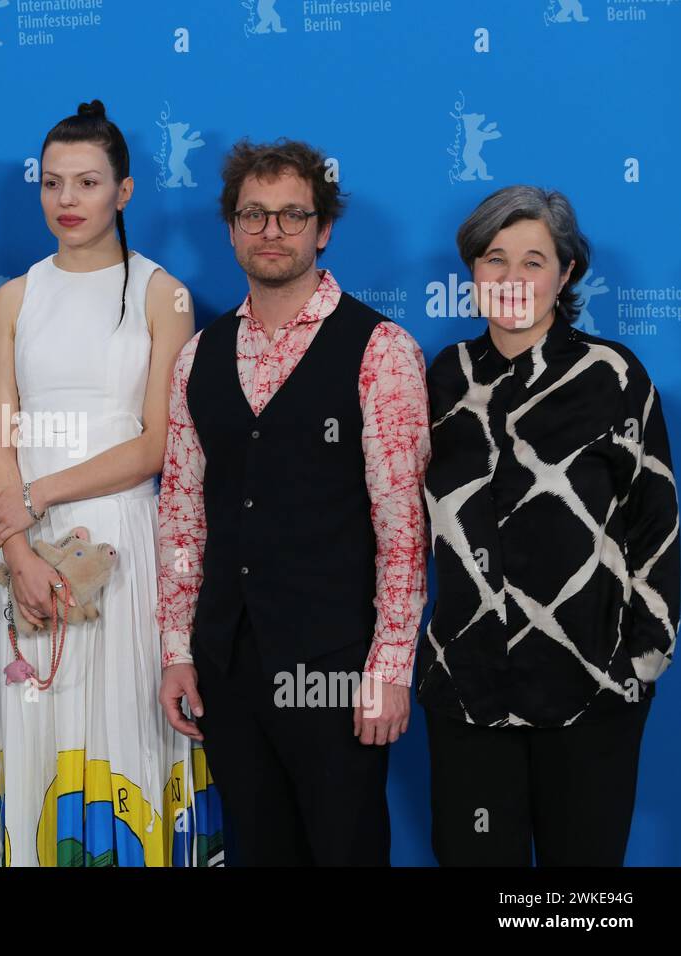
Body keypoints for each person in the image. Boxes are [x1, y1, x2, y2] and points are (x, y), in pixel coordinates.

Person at [156, 139, 431, 865]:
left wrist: (390, 666)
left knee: (345, 849)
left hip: (335, 661)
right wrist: (178, 650)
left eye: (290, 215)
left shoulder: (382, 350)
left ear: (323, 228)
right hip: (228, 660)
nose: (271, 231)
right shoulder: (198, 356)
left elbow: (402, 526)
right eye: (254, 214)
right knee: (259, 851)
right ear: (230, 227)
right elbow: (183, 512)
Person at [418, 185, 679, 866]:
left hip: (591, 691)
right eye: (494, 258)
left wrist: (642, 658)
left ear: (565, 274)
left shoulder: (615, 376)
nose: (511, 278)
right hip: (468, 692)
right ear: (472, 271)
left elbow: (658, 524)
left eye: (533, 261)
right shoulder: (440, 379)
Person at [0, 100, 206, 867]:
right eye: (51, 183)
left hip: (122, 546)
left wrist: (35, 502)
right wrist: (17, 550)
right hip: (22, 551)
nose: (66, 201)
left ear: (125, 191)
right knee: (37, 735)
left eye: (86, 182)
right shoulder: (14, 297)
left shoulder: (161, 294)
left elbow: (154, 444)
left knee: (124, 735)